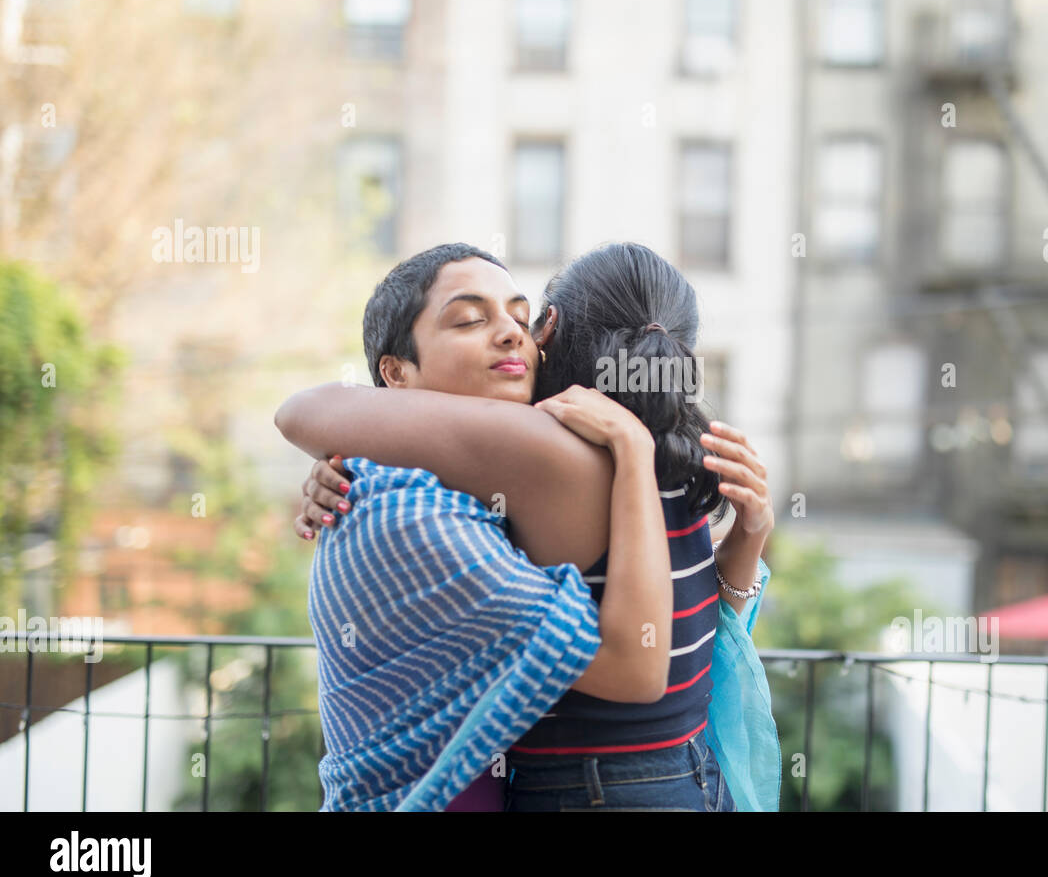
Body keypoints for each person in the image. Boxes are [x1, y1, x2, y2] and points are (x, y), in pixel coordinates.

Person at [280, 242, 779, 811]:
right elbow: (698, 624)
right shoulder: (682, 447)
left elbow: (302, 412)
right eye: (471, 320)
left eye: (522, 318)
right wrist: (751, 533)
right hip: (695, 776)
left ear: (550, 330)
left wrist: (352, 452)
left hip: (591, 790)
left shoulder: (551, 447)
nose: (511, 335)